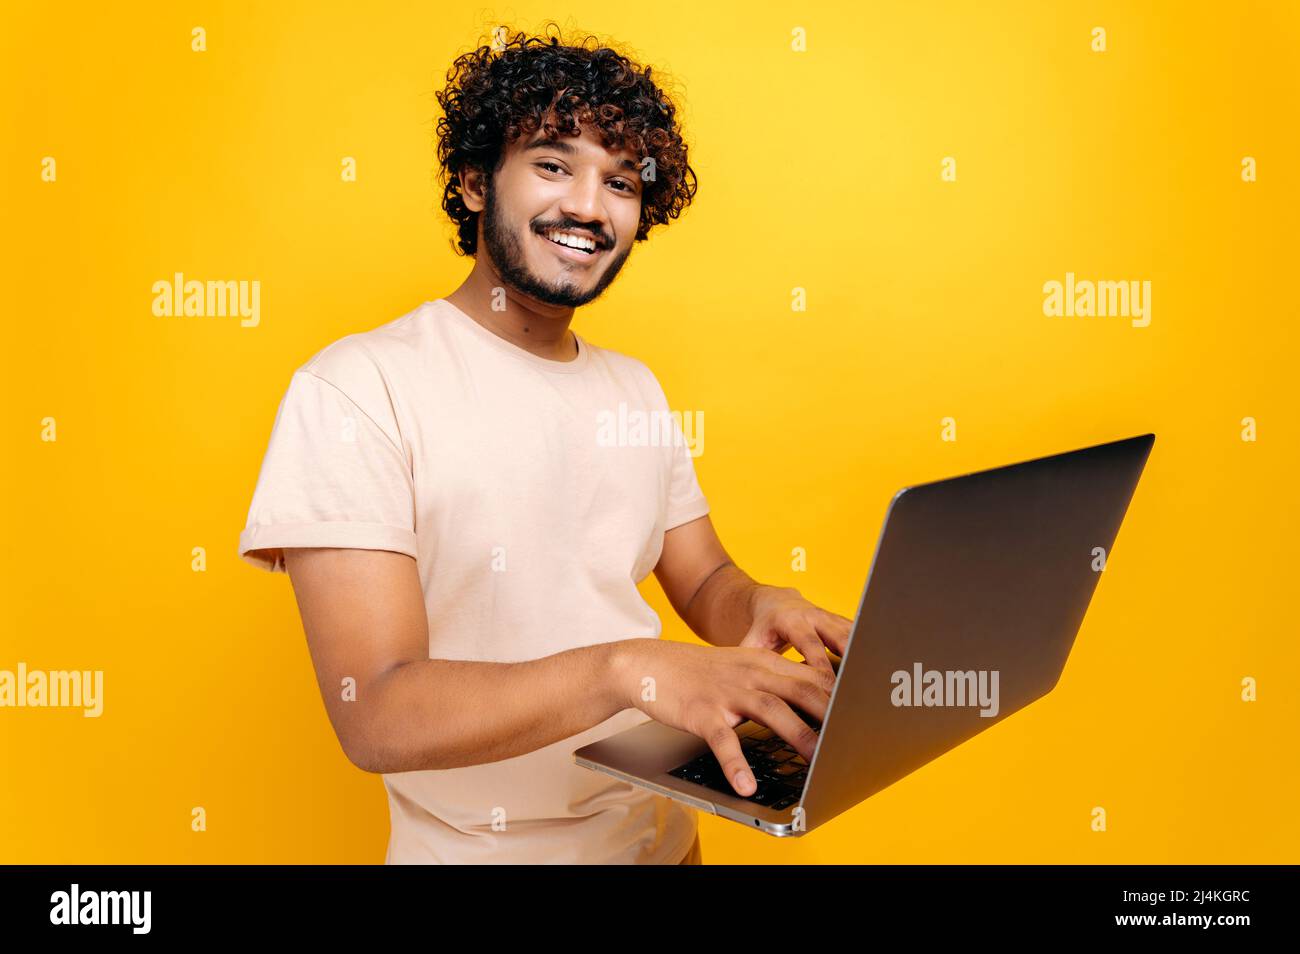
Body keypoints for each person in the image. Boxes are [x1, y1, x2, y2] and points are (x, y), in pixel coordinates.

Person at [238, 25, 851, 864]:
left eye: (623, 181)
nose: (590, 208)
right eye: (553, 165)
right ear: (473, 183)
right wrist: (625, 669)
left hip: (665, 844)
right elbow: (375, 712)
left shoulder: (633, 388)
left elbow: (704, 578)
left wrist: (763, 604)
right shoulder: (355, 390)